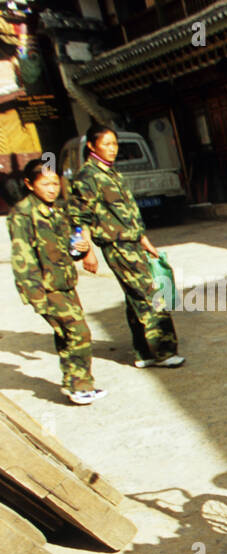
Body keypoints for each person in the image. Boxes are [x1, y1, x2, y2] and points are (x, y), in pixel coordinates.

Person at [69, 123, 183, 369]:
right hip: (116, 244)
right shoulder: (87, 176)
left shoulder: (111, 173)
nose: (113, 149)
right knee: (150, 293)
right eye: (107, 144)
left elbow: (128, 213)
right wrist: (87, 251)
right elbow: (80, 218)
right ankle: (163, 352)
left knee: (136, 296)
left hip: (131, 241)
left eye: (115, 144)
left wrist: (145, 240)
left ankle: (145, 353)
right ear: (92, 145)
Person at [7, 159, 105, 405]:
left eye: (55, 183)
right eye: (45, 184)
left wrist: (79, 250)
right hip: (46, 287)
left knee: (66, 335)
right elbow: (23, 259)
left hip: (64, 284)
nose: (52, 189)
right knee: (79, 332)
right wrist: (36, 296)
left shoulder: (56, 211)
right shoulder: (22, 214)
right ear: (30, 184)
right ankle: (81, 385)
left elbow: (66, 249)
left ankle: (74, 384)